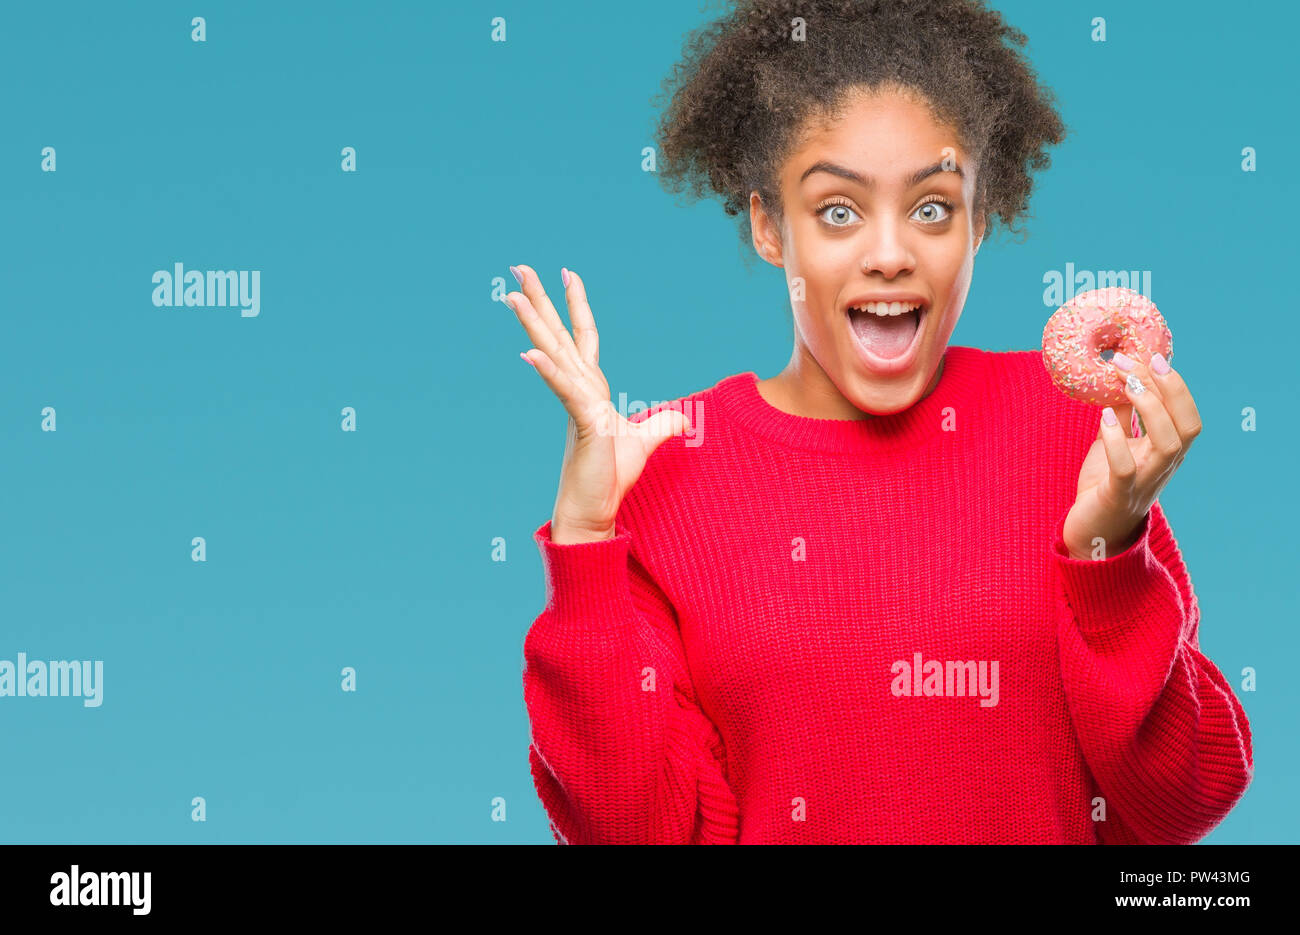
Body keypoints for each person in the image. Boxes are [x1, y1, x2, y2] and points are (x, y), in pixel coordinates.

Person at [507, 0, 1253, 844]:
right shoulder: (662, 467)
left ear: (981, 217)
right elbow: (634, 829)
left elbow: (1186, 796)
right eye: (837, 210)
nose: (890, 251)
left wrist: (1111, 551)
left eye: (933, 207)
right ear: (768, 227)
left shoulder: (1071, 427)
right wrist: (584, 543)